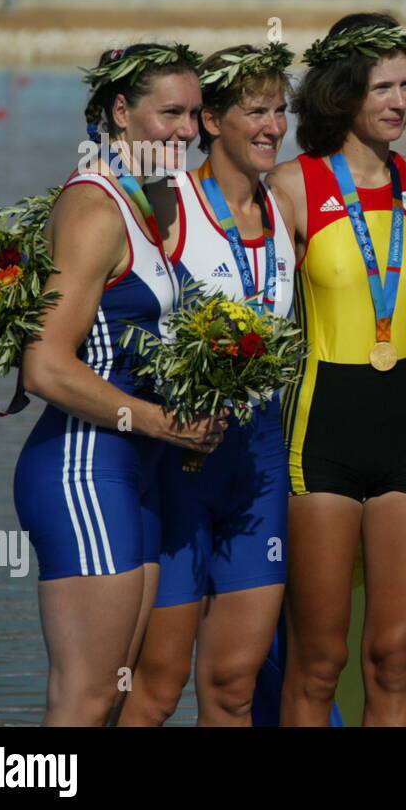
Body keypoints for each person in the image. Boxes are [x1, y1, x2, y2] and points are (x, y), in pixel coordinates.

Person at [14, 43, 226, 726]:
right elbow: (43, 364)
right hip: (84, 466)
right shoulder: (95, 208)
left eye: (195, 114)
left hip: (134, 470)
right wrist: (160, 421)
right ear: (120, 111)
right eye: (170, 113)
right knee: (86, 698)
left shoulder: (147, 203)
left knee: (113, 700)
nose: (187, 132)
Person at [266, 14, 406, 727]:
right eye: (383, 87)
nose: (400, 101)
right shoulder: (291, 185)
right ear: (343, 94)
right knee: (318, 661)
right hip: (322, 431)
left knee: (397, 656)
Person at [119, 43, 297, 726]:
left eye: (280, 110)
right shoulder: (166, 200)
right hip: (177, 458)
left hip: (258, 461)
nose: (274, 126)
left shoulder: (283, 202)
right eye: (256, 110)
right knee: (156, 688)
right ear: (213, 120)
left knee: (232, 686)